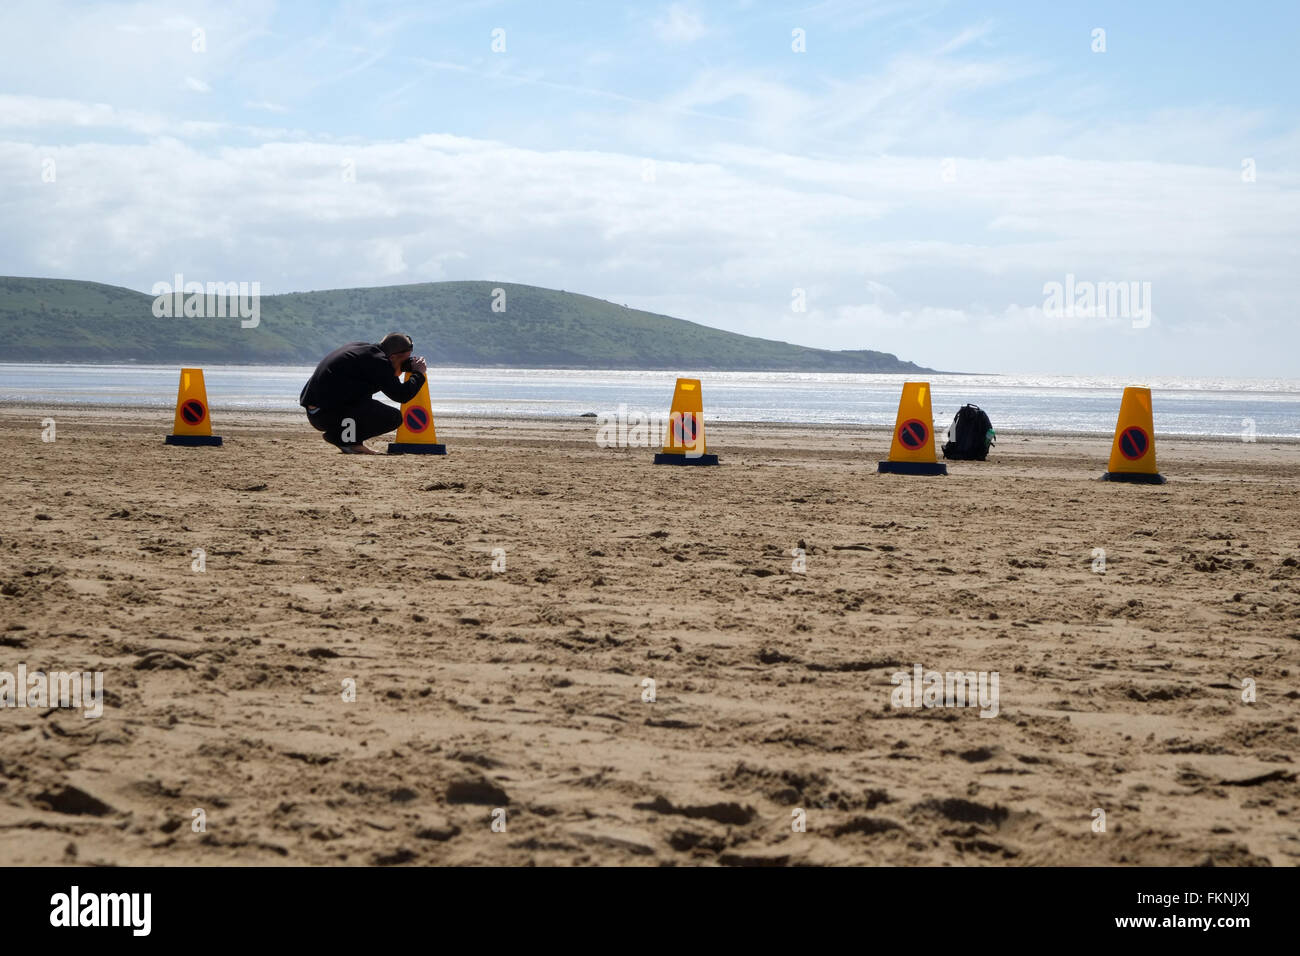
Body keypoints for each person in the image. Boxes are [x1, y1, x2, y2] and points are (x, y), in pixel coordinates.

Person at [299, 333, 429, 454]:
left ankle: (349, 440)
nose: (406, 363)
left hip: (316, 413)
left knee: (364, 402)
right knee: (393, 417)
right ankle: (344, 440)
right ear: (393, 356)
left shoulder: (362, 350)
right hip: (328, 415)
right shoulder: (379, 362)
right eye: (405, 360)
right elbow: (402, 395)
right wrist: (418, 374)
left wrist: (402, 367)